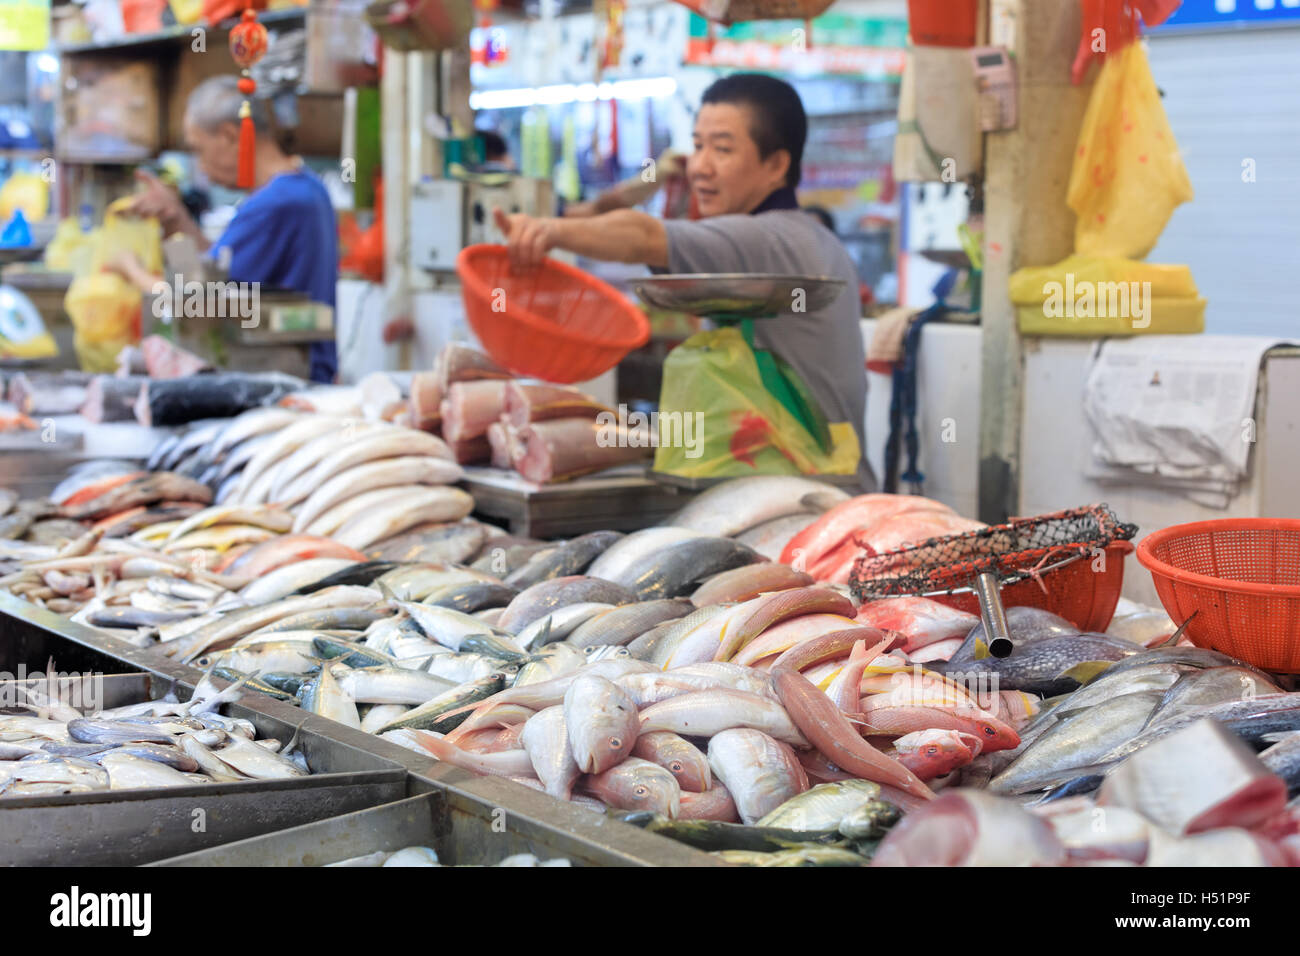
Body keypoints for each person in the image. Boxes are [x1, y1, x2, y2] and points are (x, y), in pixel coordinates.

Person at [494, 73, 872, 488]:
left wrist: (551, 232)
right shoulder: (795, 236)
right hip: (793, 481)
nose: (700, 167)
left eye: (722, 149)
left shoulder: (770, 238)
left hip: (815, 500)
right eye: (697, 146)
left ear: (777, 165)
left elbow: (643, 236)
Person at [110, 76, 339, 383]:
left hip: (279, 382)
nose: (201, 167)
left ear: (231, 137)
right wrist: (175, 219)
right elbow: (216, 271)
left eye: (198, 150)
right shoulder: (307, 188)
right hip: (301, 372)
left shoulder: (275, 205)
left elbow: (197, 302)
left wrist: (130, 269)